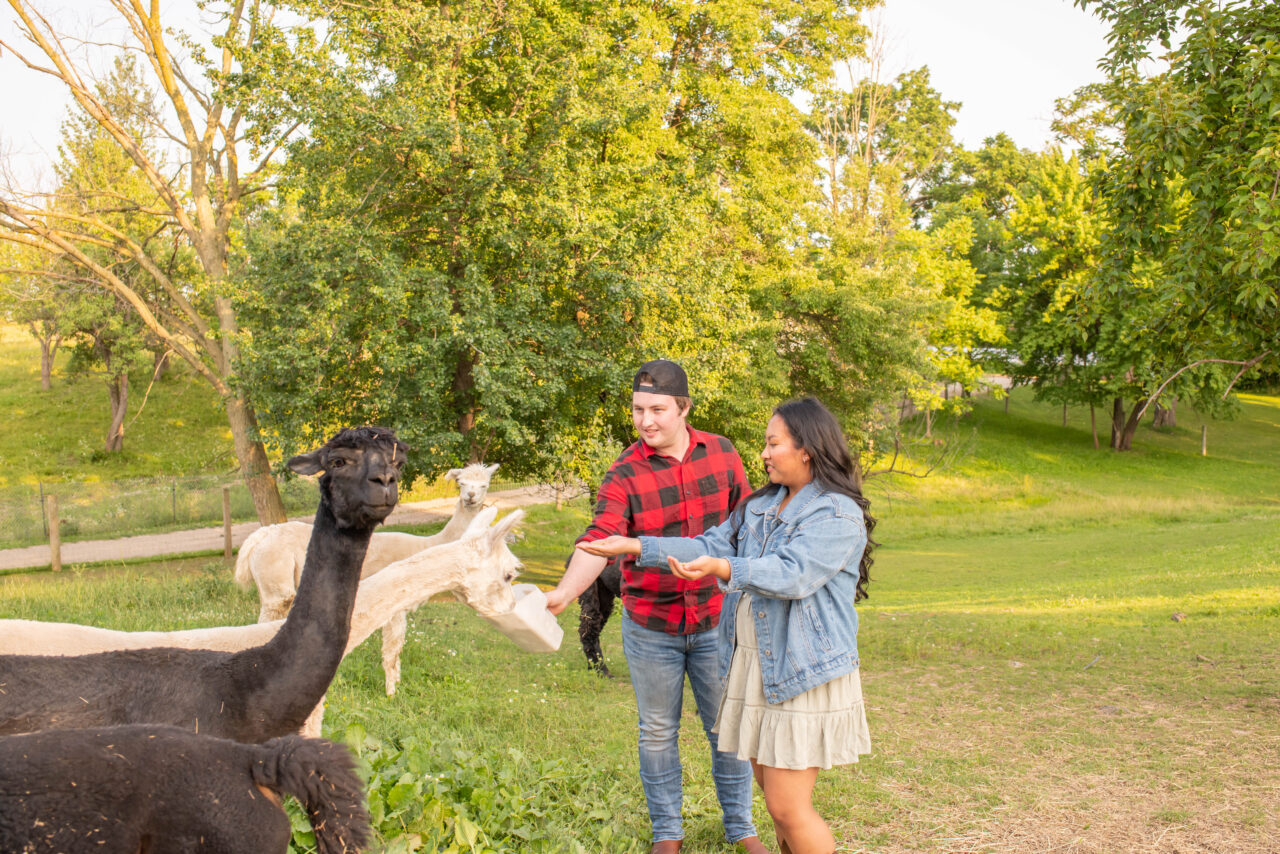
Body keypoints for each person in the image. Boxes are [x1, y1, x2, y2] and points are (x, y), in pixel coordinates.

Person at [577, 397, 875, 854]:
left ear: (807, 450)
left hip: (801, 671)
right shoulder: (762, 504)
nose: (763, 454)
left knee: (789, 808)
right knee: (777, 804)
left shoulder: (835, 513)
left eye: (773, 444)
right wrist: (636, 546)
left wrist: (724, 567)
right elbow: (708, 543)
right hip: (757, 666)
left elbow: (792, 574)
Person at [545, 359, 769, 854]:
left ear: (684, 408)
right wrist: (563, 592)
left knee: (726, 727)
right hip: (651, 627)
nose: (645, 421)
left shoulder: (723, 453)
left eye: (657, 410)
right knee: (657, 733)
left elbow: (750, 522)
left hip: (716, 620)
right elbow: (600, 538)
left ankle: (741, 828)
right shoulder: (624, 471)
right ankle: (667, 833)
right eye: (637, 410)